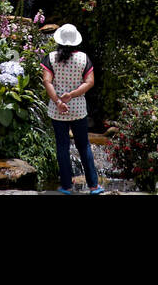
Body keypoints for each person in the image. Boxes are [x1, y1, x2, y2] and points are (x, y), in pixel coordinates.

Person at [41, 23, 104, 195]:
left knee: (62, 147)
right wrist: (73, 94)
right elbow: (90, 82)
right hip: (78, 110)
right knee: (84, 146)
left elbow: (47, 81)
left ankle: (66, 186)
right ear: (76, 40)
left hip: (57, 110)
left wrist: (58, 101)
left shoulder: (50, 57)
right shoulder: (84, 58)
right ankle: (93, 186)